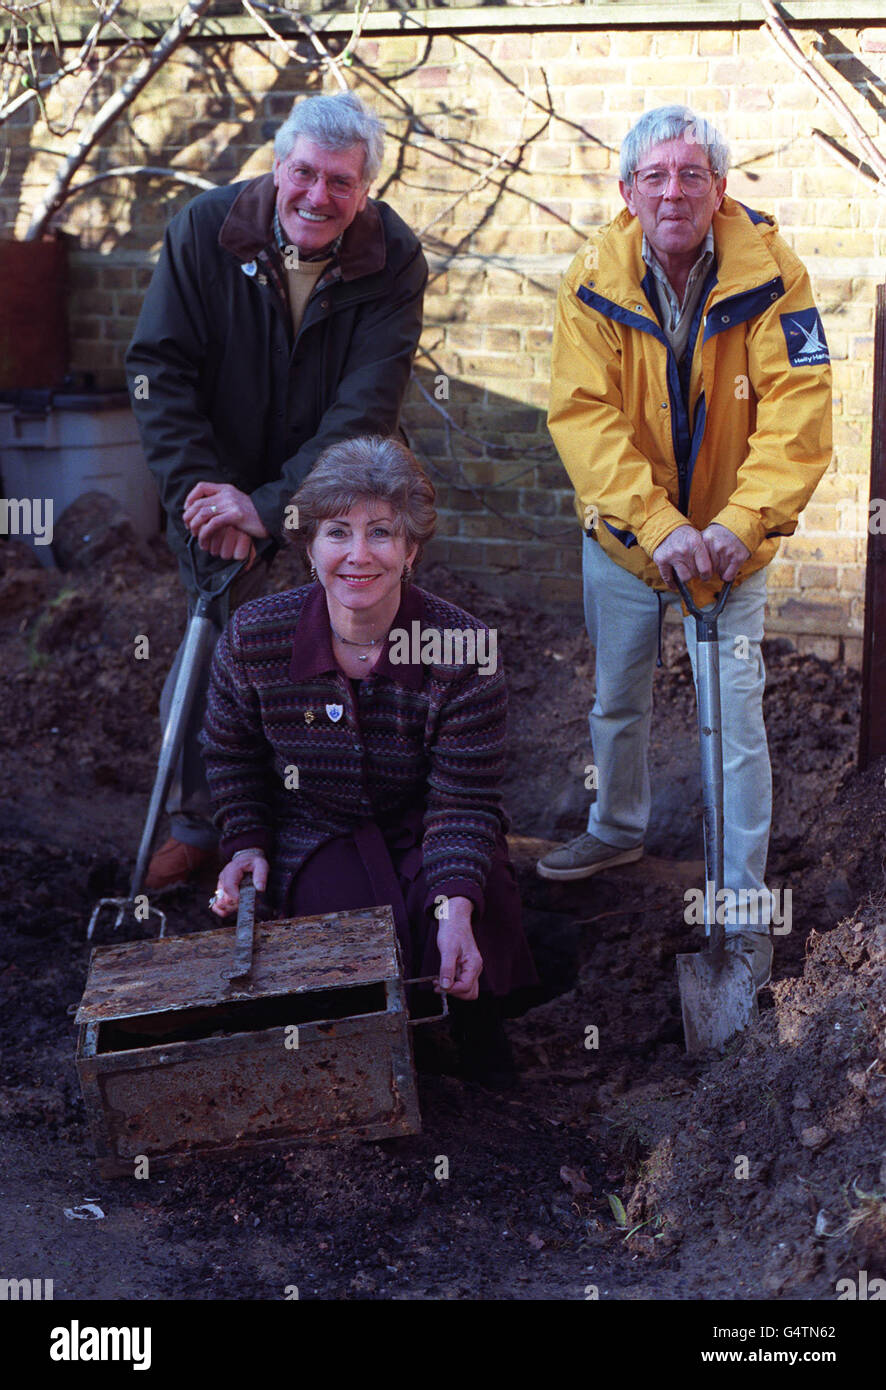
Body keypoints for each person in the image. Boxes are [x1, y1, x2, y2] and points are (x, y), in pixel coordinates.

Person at [538, 106, 833, 990]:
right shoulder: (589, 280)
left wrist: (735, 530)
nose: (674, 191)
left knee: (735, 722)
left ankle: (741, 909)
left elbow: (798, 414)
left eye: (692, 175)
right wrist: (660, 528)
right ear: (626, 192)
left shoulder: (775, 277)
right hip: (628, 542)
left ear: (720, 188)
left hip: (732, 548)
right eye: (655, 176)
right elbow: (583, 421)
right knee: (616, 697)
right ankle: (617, 827)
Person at [125, 91, 427, 891]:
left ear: (366, 192)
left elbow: (365, 409)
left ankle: (342, 823)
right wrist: (203, 494)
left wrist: (269, 508)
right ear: (277, 164)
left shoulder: (392, 257)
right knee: (218, 644)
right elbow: (161, 371)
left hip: (339, 487)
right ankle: (200, 825)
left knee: (352, 641)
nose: (317, 197)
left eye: (341, 183)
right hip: (214, 483)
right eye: (304, 173)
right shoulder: (205, 230)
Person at [201, 435, 538, 1084]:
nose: (359, 556)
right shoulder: (253, 638)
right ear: (309, 547)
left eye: (381, 533)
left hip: (428, 831)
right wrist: (245, 842)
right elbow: (232, 755)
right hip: (317, 831)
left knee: (464, 907)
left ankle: (480, 1060)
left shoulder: (461, 650)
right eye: (337, 533)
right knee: (347, 950)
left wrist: (455, 906)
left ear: (411, 551)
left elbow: (463, 801)